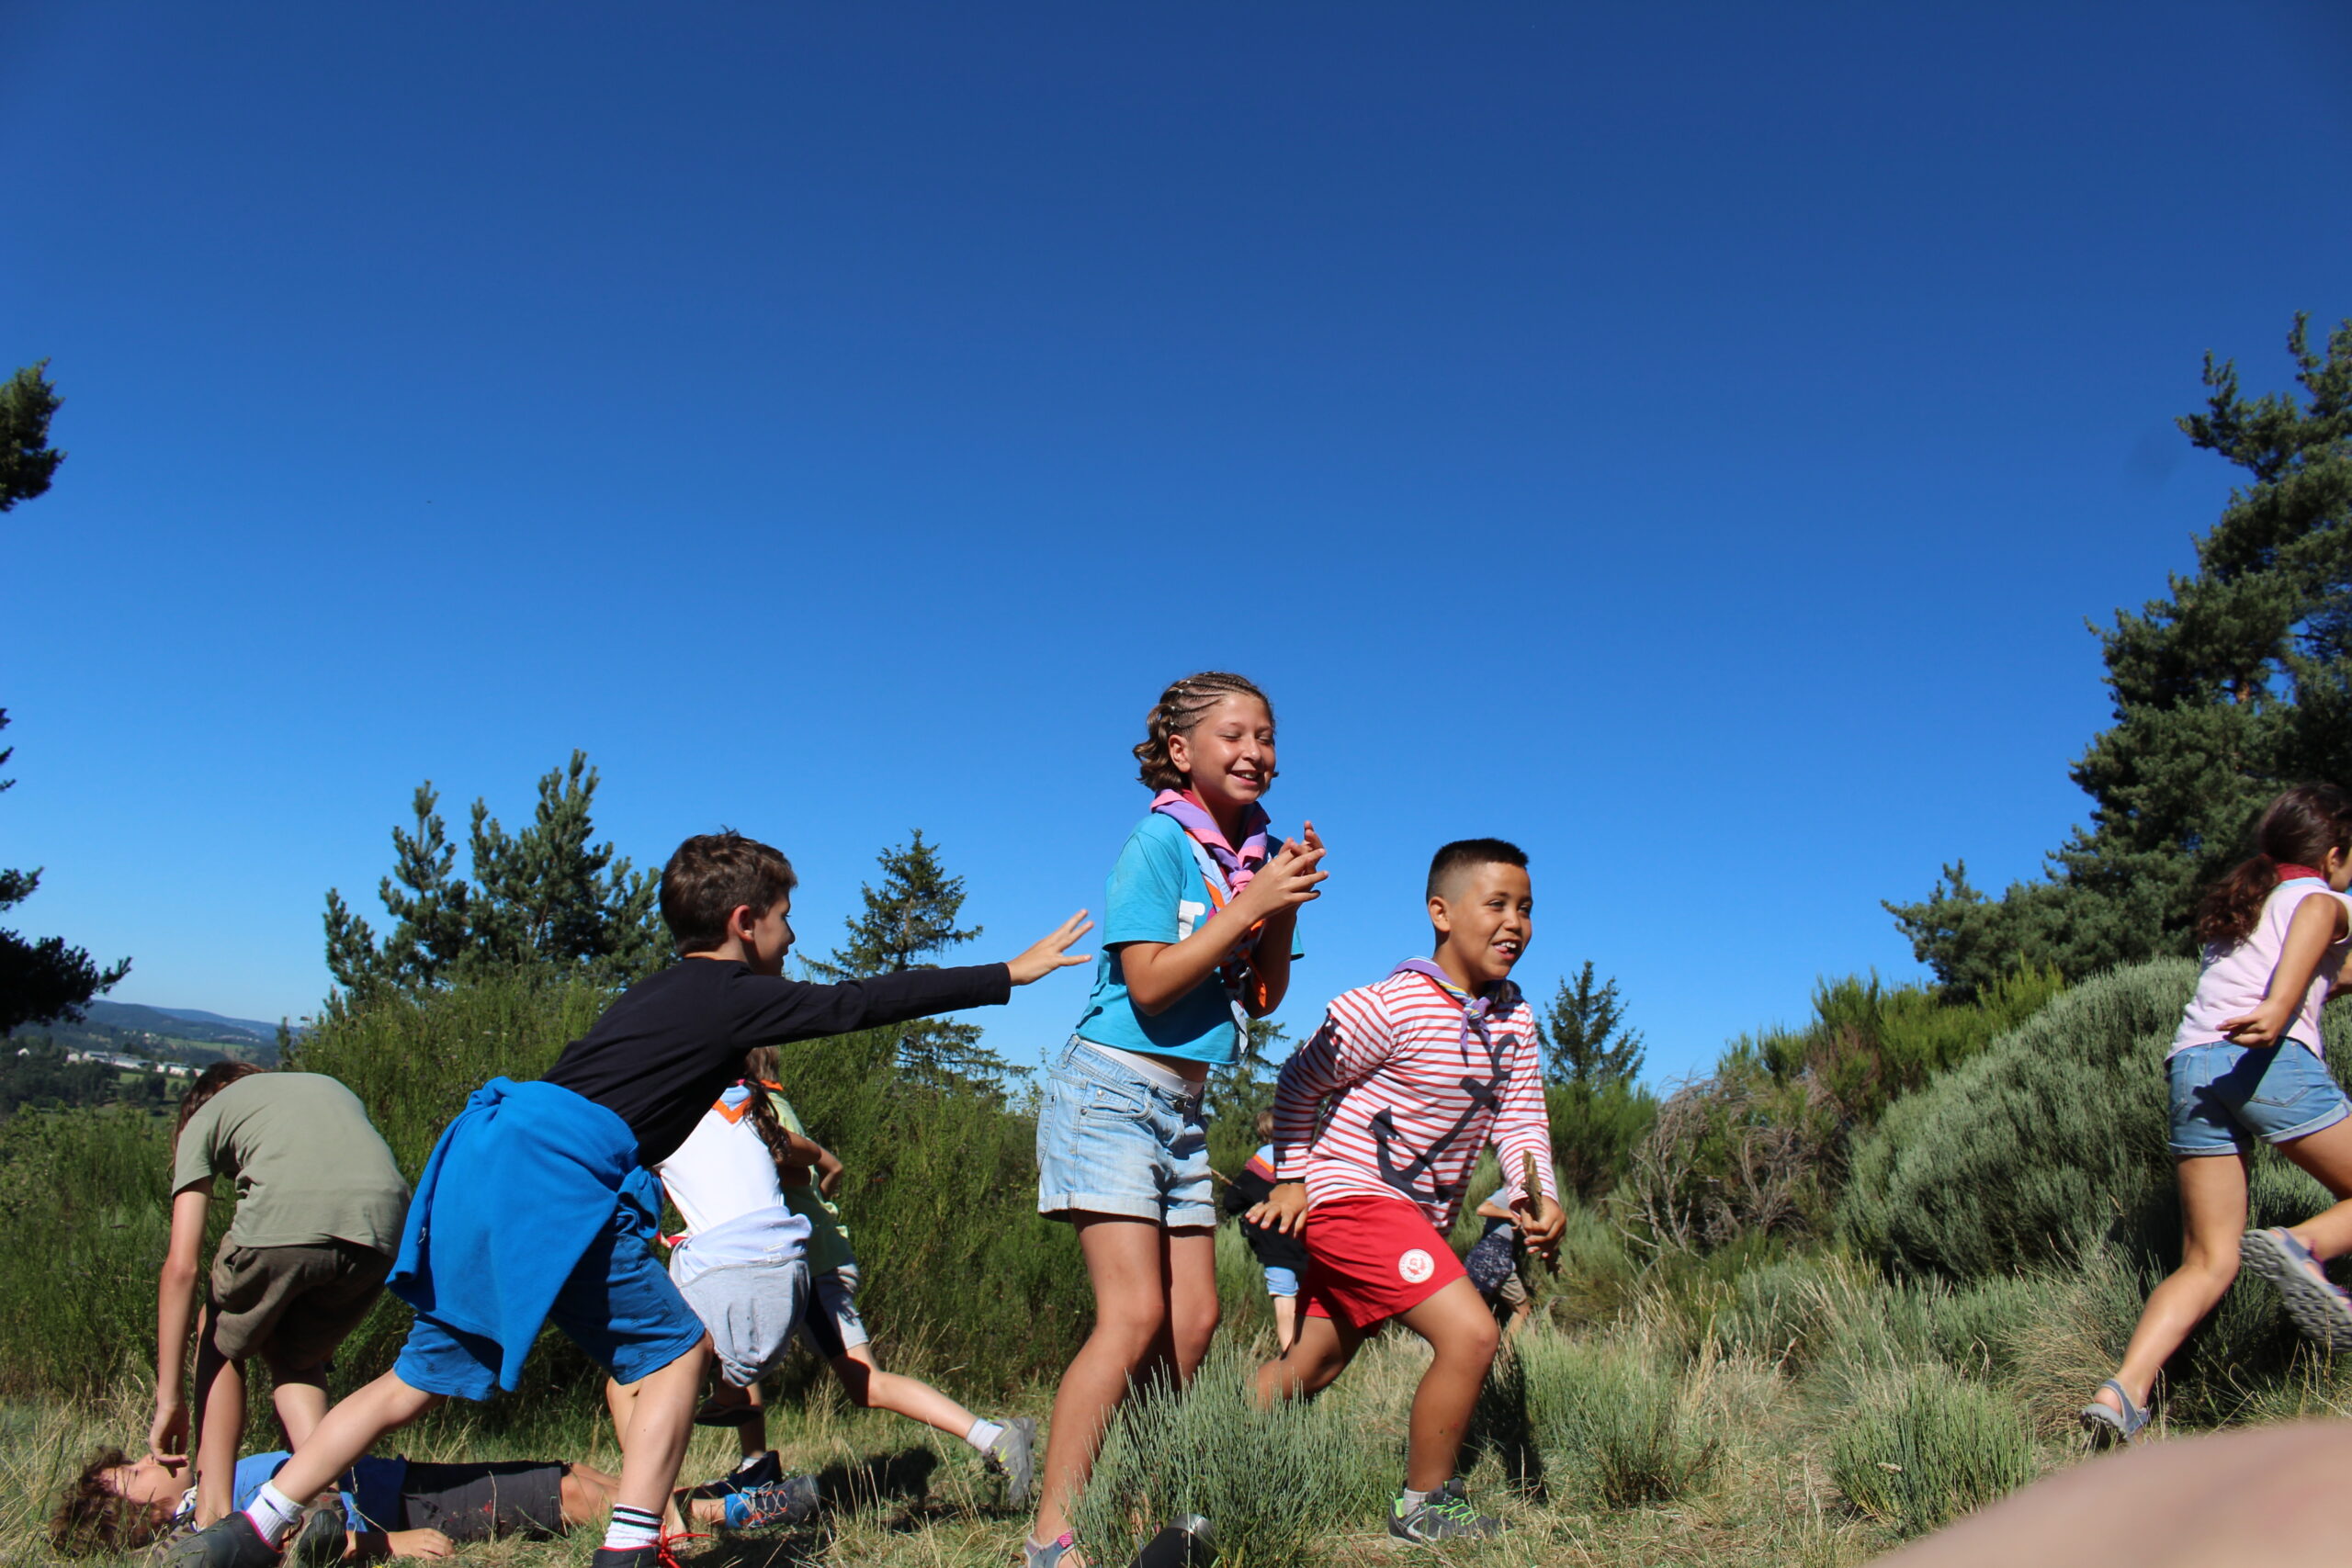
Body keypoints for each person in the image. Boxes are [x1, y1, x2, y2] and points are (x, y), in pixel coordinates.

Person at [167, 829, 1091, 1568]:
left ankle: (252, 1529)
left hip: (490, 1153)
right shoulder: (733, 995)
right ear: (743, 922)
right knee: (680, 1353)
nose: (792, 937)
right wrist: (1005, 974)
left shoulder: (655, 992)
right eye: (784, 918)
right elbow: (855, 1003)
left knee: (411, 1381)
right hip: (559, 1168)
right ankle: (631, 1546)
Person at [1026, 671, 1328, 1568]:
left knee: (1192, 1321)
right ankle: (1050, 1538)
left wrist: (1277, 905)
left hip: (1182, 1110)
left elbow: (1265, 997)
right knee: (1131, 1318)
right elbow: (1152, 984)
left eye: (1266, 736)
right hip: (1110, 1091)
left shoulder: (1254, 857)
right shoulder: (1159, 845)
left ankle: (1139, 1505)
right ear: (1181, 753)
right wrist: (1250, 905)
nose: (1255, 752)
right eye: (1233, 735)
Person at [1251, 838, 1563, 1544]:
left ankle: (1199, 1454)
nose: (1516, 922)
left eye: (1527, 908)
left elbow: (1520, 1125)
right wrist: (1294, 1177)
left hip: (1406, 1218)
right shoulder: (1392, 1004)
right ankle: (1423, 1505)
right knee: (1473, 1332)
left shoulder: (1515, 1021)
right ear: (1441, 912)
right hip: (1353, 1198)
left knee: (1315, 1360)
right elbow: (1301, 1077)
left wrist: (1537, 1198)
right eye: (1498, 904)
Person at [638, 1046, 1036, 1505]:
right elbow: (822, 1165)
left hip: (815, 1265)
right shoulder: (761, 1104)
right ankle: (755, 1464)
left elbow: (793, 1163)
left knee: (866, 1383)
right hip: (804, 1256)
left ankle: (993, 1437)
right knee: (738, 1345)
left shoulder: (751, 1111)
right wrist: (822, 1194)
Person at [2082, 784, 2352, 1445]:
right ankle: (2302, 1244)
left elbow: (2327, 972)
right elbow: (2319, 914)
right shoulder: (2321, 895)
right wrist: (2283, 1005)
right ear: (2336, 854)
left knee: (2208, 1260)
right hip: (2265, 1057)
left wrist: (2305, 988)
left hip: (2193, 1069)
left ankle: (2123, 1390)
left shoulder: (2249, 905)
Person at [154, 1062, 412, 1528]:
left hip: (288, 1218)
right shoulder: (324, 1085)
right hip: (384, 1230)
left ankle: (210, 1515)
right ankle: (322, 1496)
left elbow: (181, 1267)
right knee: (294, 1354)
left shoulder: (205, 1117)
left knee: (216, 1330)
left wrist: (169, 1400)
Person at [55, 1440, 812, 1560]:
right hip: (412, 1507)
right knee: (574, 1494)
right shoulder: (215, 1519)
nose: (152, 1459)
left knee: (575, 1472)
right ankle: (730, 1514)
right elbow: (315, 1514)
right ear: (126, 1508)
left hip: (405, 1480)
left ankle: (731, 1499)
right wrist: (389, 1543)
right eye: (131, 1472)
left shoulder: (210, 1497)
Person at [1221, 1111, 1308, 1351]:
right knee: (1312, 1309)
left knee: (1285, 1308)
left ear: (1262, 1132)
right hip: (1313, 1247)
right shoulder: (1311, 1165)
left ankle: (1293, 1371)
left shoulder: (1255, 1171)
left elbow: (1231, 1203)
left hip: (1275, 1251)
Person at [1463, 1195, 1534, 1338]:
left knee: (1522, 1309)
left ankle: (1507, 1352)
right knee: (1473, 1310)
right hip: (1489, 1256)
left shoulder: (1525, 1202)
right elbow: (1483, 1209)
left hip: (1503, 1262)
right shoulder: (1508, 1193)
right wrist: (1511, 1214)